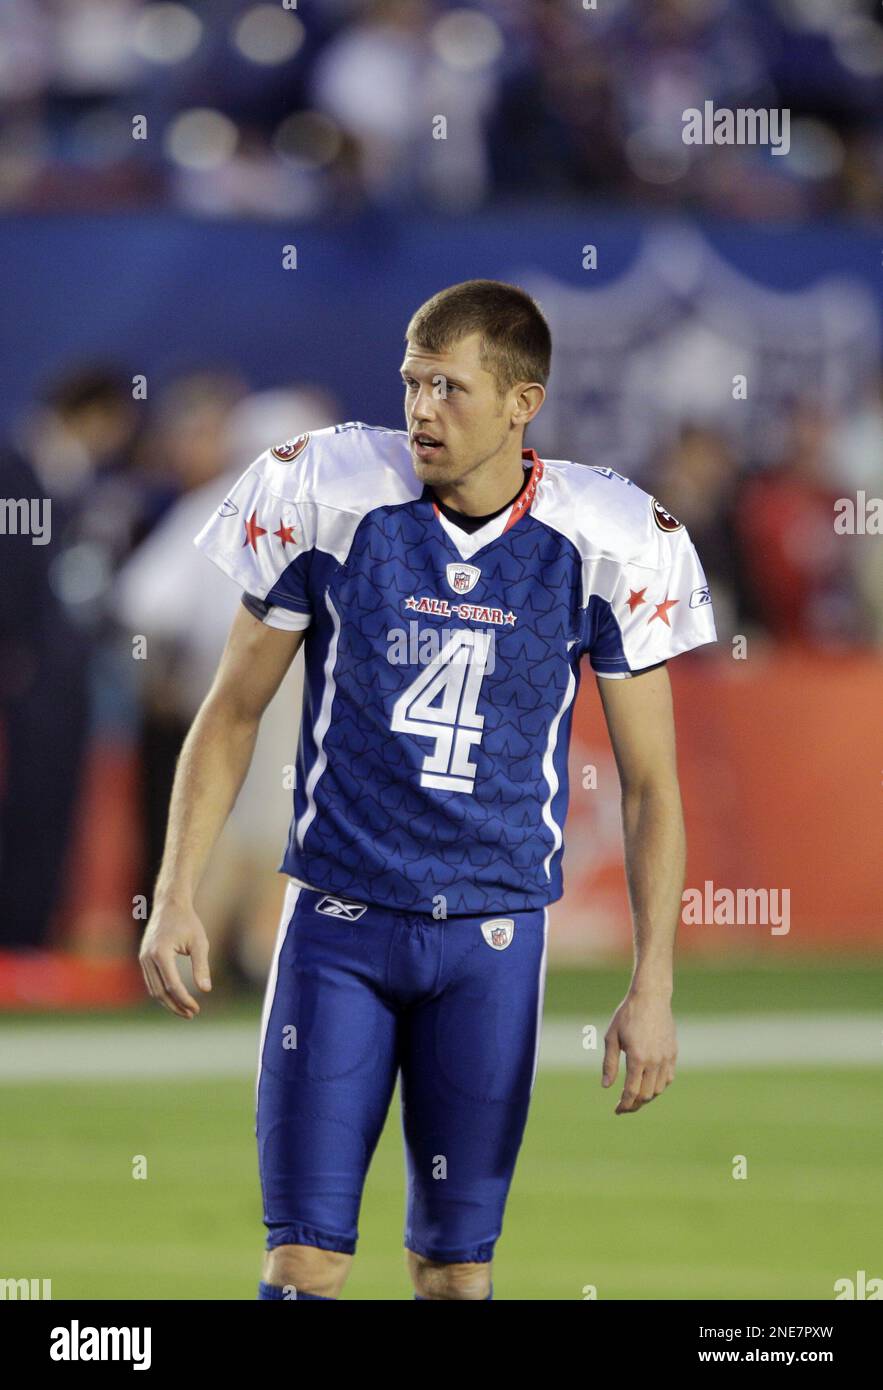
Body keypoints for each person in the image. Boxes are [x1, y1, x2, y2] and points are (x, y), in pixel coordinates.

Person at [138, 279, 717, 1301]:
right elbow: (229, 711)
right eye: (411, 382)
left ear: (521, 402)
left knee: (454, 1272)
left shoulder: (609, 534)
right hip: (336, 928)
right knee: (305, 1259)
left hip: (490, 941)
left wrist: (653, 985)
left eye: (449, 387)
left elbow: (650, 787)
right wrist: (177, 886)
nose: (420, 409)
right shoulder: (330, 488)